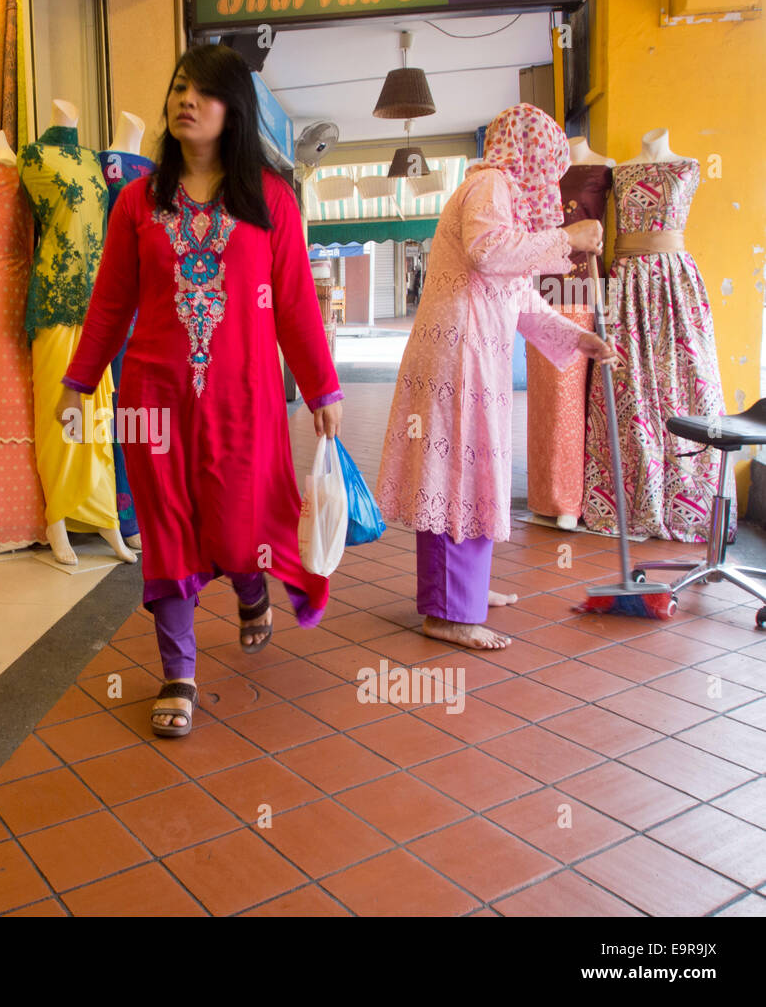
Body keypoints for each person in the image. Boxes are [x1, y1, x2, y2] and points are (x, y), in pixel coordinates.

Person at [59, 45, 342, 737]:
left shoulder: (270, 201)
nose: (186, 100)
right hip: (153, 398)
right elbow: (109, 304)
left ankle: (252, 589)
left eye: (205, 93)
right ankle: (178, 670)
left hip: (244, 400)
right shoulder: (137, 203)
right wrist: (78, 383)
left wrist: (321, 387)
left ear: (233, 111)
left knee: (240, 522)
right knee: (167, 530)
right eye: (179, 87)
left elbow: (297, 303)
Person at [376, 103, 615, 651]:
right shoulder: (490, 185)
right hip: (456, 355)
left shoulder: (500, 197)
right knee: (455, 475)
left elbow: (518, 295)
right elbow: (487, 255)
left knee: (473, 471)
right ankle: (448, 612)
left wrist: (582, 338)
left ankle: (468, 592)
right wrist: (568, 238)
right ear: (529, 157)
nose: (550, 187)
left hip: (473, 355)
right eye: (550, 169)